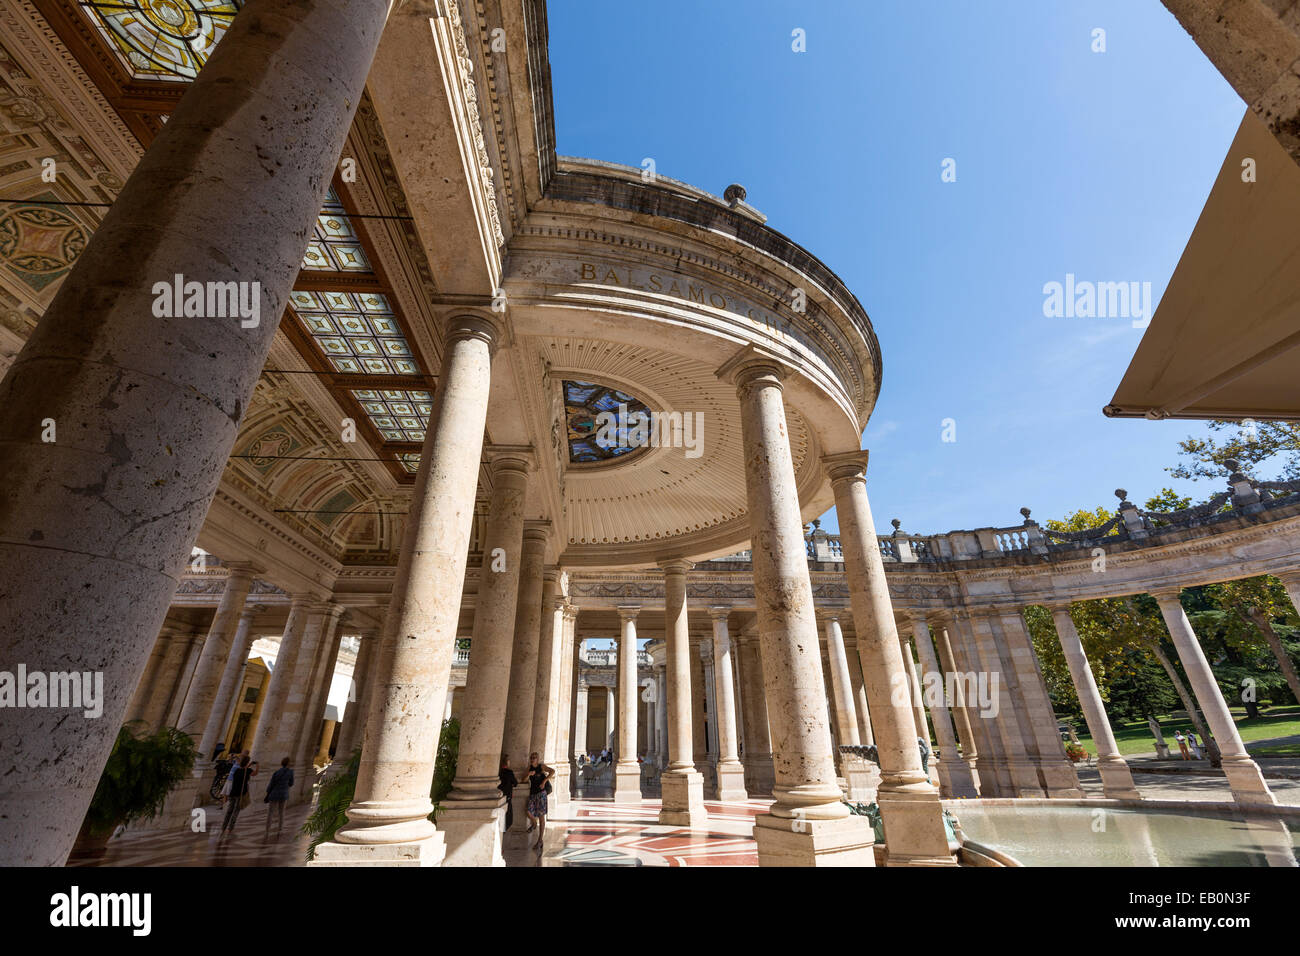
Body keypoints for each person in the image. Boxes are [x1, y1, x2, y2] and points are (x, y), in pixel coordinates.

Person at [522, 752, 555, 854]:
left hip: (541, 794)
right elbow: (523, 780)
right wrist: (528, 774)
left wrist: (544, 782)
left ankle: (540, 840)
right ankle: (534, 823)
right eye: (531, 758)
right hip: (533, 794)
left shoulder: (541, 767)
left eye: (534, 758)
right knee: (528, 812)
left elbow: (552, 771)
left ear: (538, 759)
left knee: (541, 817)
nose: (532, 759)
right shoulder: (529, 768)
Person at [220, 756, 257, 835]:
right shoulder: (248, 771)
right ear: (247, 763)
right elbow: (255, 773)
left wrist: (248, 764)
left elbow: (243, 769)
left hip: (233, 792)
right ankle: (230, 828)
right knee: (235, 811)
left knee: (229, 811)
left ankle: (223, 827)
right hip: (240, 794)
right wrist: (257, 766)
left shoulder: (236, 770)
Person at [263, 757, 294, 837]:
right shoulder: (290, 772)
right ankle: (280, 829)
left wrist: (267, 793)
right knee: (281, 813)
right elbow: (291, 783)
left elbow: (271, 784)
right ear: (288, 763)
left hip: (274, 794)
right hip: (283, 794)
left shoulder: (277, 772)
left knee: (270, 813)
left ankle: (267, 830)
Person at [499, 755, 519, 831]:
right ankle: (503, 832)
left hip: (501, 796)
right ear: (507, 763)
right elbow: (515, 783)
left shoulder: (500, 772)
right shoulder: (509, 772)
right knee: (509, 819)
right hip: (507, 797)